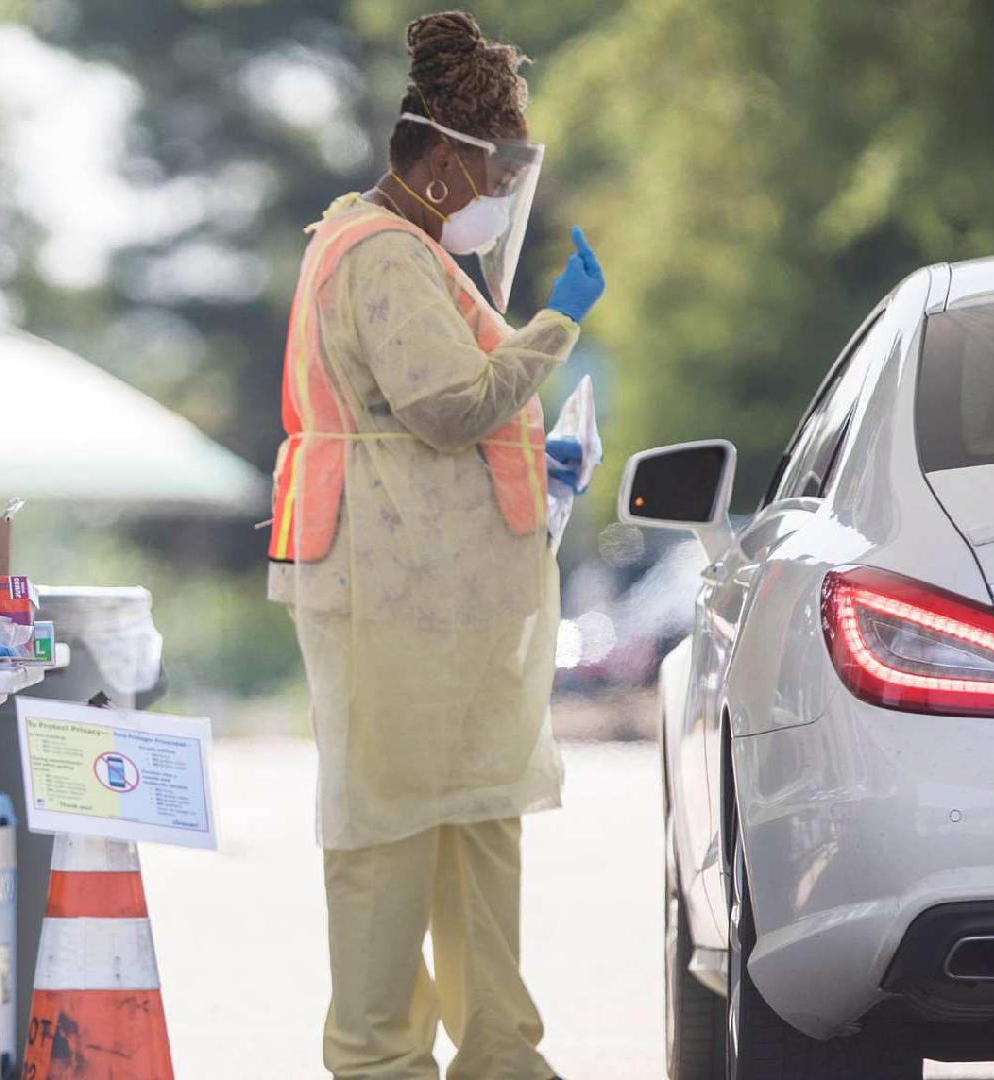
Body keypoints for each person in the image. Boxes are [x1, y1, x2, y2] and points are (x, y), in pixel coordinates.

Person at [266, 12, 604, 1080]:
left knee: (474, 819)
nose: (503, 196)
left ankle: (502, 1052)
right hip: (387, 584)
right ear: (447, 164)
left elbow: (458, 413)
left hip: (434, 586)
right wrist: (557, 325)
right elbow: (451, 408)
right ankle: (380, 1059)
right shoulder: (378, 255)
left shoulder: (408, 249)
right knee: (390, 832)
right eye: (496, 173)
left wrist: (540, 452)